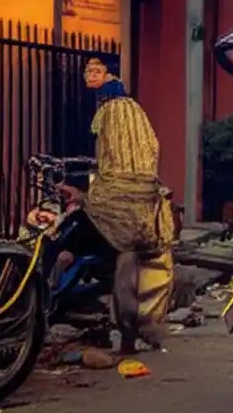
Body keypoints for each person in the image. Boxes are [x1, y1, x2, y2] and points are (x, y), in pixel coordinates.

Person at [64, 54, 177, 354]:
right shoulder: (136, 110)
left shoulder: (106, 114)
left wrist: (85, 196)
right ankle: (132, 335)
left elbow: (106, 164)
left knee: (71, 242)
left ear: (109, 77)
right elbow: (151, 150)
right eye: (88, 71)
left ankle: (101, 319)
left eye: (96, 71)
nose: (90, 76)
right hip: (143, 207)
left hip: (115, 207)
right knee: (131, 265)